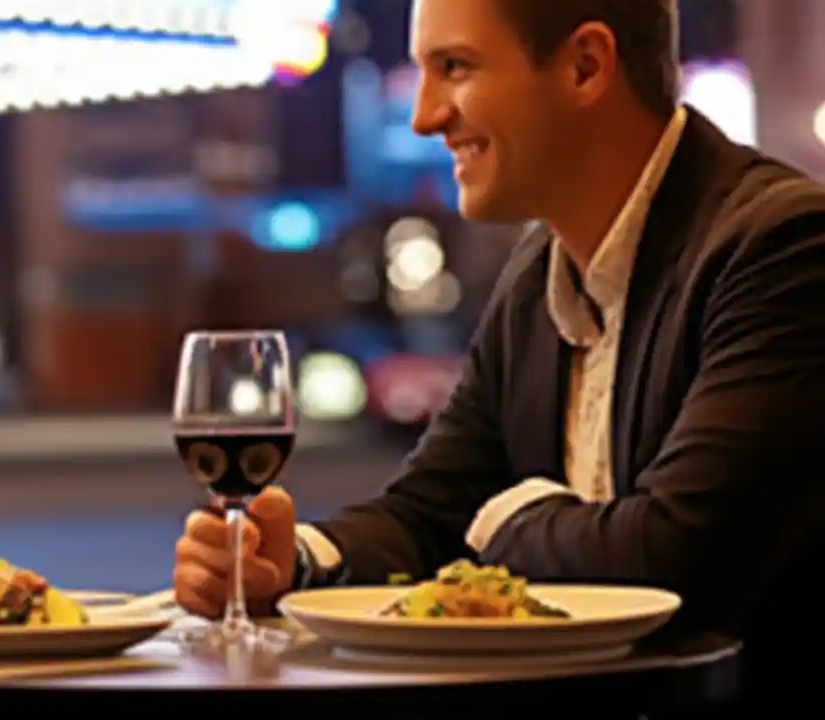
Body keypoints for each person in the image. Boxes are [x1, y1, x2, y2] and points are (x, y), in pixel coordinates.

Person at [174, 0, 825, 711]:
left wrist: (503, 520)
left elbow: (677, 558)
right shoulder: (537, 270)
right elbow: (430, 513)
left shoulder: (782, 247)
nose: (424, 116)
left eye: (454, 68)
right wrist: (290, 561)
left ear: (585, 66)